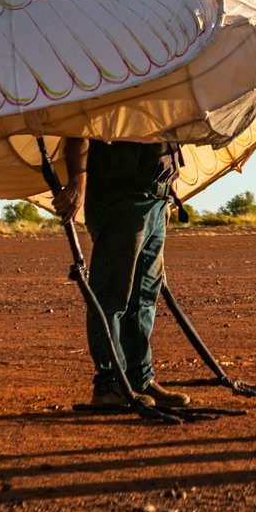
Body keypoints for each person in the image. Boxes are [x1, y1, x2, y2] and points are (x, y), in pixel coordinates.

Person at [52, 137, 192, 411]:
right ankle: (110, 385)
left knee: (144, 298)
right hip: (120, 200)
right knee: (112, 297)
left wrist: (167, 192)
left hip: (156, 201)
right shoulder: (108, 92)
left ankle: (139, 379)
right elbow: (78, 127)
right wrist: (77, 184)